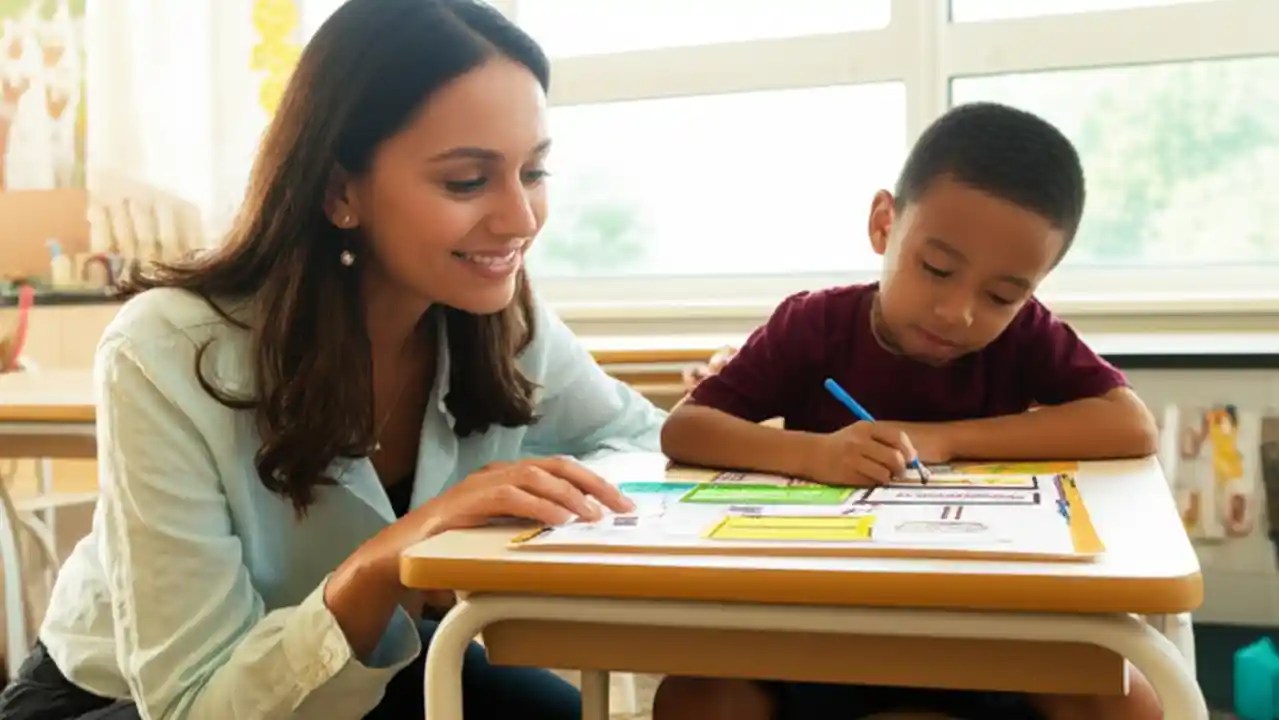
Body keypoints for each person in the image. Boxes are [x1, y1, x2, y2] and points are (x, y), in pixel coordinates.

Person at [0, 1, 666, 718]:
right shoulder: (166, 349)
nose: (522, 218)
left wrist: (523, 526)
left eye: (534, 172)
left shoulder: (502, 323)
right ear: (339, 189)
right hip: (132, 701)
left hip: (362, 673)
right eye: (467, 182)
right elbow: (194, 702)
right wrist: (394, 558)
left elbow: (643, 445)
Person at [655, 103, 1162, 720]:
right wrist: (815, 453)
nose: (958, 312)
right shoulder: (814, 325)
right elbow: (686, 427)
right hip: (818, 631)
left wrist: (942, 439)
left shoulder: (1024, 336)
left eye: (1002, 294)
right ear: (884, 224)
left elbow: (1130, 423)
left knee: (1126, 700)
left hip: (988, 635)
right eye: (937, 268)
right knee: (694, 698)